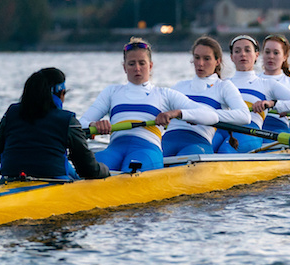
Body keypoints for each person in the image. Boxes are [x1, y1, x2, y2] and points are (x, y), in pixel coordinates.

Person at [80, 38, 218, 172]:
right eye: (131, 64)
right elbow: (80, 124)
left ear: (150, 66)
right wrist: (93, 125)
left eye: (142, 63)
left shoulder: (164, 94)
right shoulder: (111, 92)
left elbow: (211, 116)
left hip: (147, 150)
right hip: (114, 149)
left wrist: (175, 113)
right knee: (90, 169)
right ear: (124, 67)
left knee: (131, 170)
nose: (137, 69)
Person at [0, 67, 109, 180]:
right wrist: (105, 170)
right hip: (54, 182)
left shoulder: (11, 113)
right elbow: (88, 170)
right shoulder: (68, 121)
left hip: (10, 178)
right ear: (62, 93)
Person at [163, 36, 250, 156]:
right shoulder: (179, 86)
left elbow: (244, 116)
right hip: (166, 141)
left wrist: (201, 116)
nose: (200, 63)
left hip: (197, 143)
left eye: (207, 59)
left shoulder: (223, 86)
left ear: (217, 61)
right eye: (197, 58)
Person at [227, 34, 290, 151]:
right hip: (249, 127)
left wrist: (279, 106)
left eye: (276, 53)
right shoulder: (253, 80)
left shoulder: (289, 83)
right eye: (267, 52)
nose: (271, 57)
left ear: (285, 57)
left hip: (276, 128)